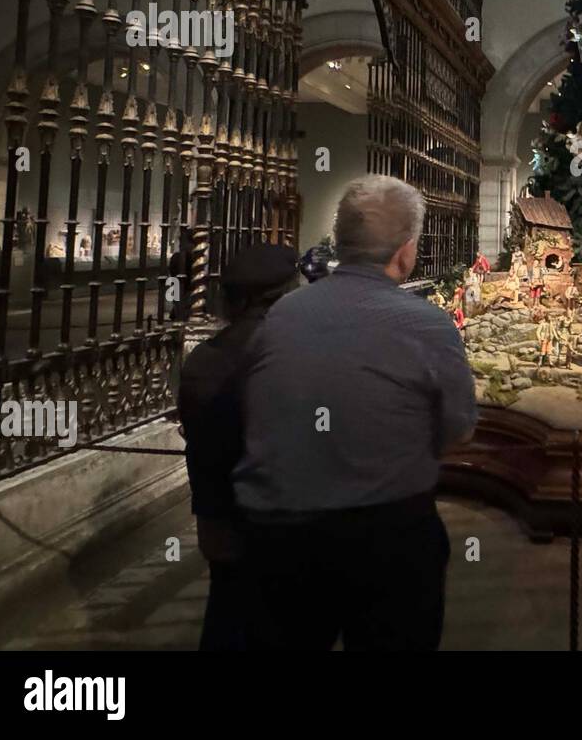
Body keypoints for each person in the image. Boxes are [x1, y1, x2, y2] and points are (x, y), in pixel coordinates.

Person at [234, 176, 476, 651]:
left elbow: (257, 408)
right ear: (406, 251)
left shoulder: (281, 314)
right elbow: (459, 431)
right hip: (388, 536)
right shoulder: (427, 324)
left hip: (277, 535)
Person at [178, 242, 299, 651]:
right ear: (279, 298)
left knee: (226, 610)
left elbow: (195, 430)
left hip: (218, 520)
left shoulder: (201, 361)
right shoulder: (290, 355)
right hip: (277, 521)